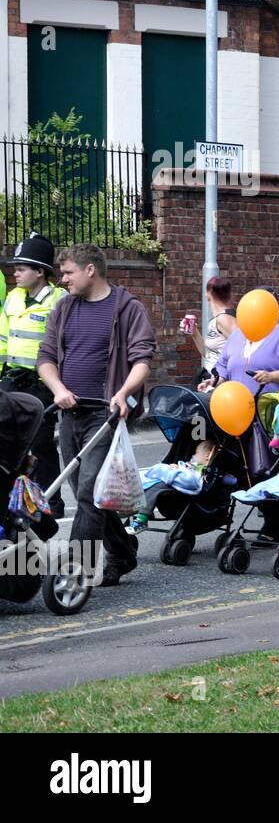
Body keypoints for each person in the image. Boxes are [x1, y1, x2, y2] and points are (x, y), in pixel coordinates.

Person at [37, 244, 156, 586]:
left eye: (68, 273)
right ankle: (122, 552)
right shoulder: (64, 308)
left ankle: (75, 574)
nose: (62, 280)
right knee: (89, 492)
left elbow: (142, 359)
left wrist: (122, 393)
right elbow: (45, 357)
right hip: (70, 412)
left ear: (90, 269)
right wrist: (58, 389)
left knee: (88, 491)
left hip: (105, 414)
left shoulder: (127, 308)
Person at [1, 233, 64, 498]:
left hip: (40, 384)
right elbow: (3, 339)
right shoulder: (13, 297)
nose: (15, 273)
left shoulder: (59, 301)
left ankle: (50, 499)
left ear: (40, 271)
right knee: (8, 443)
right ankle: (15, 497)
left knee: (40, 443)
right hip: (10, 380)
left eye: (21, 268)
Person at [203, 294, 279, 397]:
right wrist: (216, 381)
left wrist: (271, 376)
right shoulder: (236, 335)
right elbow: (222, 365)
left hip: (271, 408)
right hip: (236, 407)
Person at [188, 276, 236, 386]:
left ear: (208, 294)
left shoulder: (224, 319)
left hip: (220, 381)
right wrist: (195, 333)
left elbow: (243, 350)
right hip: (210, 377)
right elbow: (208, 354)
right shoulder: (217, 319)